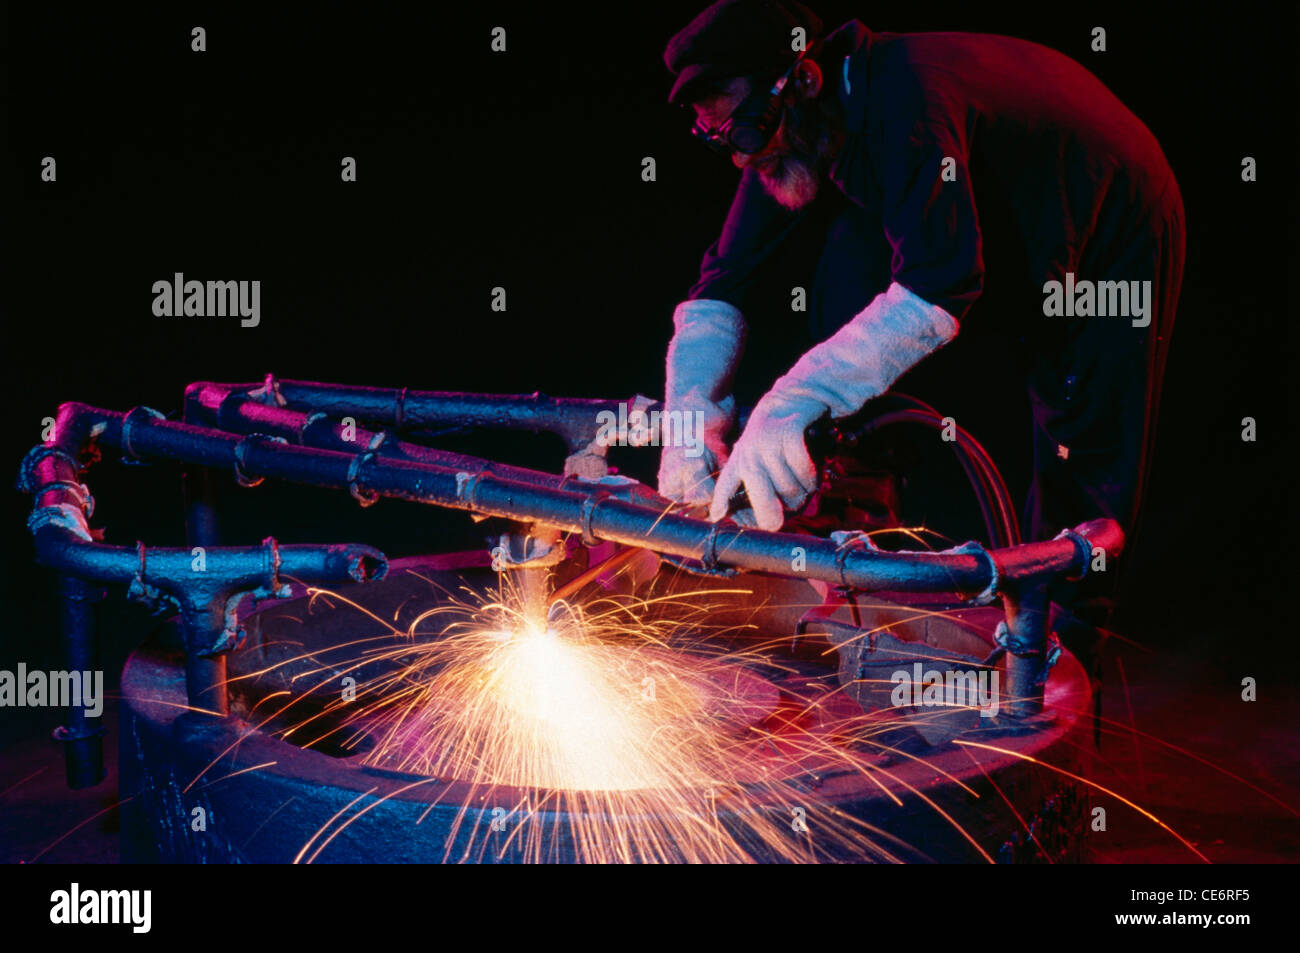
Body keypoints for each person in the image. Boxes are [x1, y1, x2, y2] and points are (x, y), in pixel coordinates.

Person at [655, 0, 1185, 581]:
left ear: (803, 79)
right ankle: (853, 505)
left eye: (749, 130)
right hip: (995, 199)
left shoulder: (907, 102)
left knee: (1080, 424)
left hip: (1111, 209)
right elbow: (726, 279)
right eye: (721, 140)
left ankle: (1062, 639)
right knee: (849, 281)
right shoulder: (798, 121)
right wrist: (691, 425)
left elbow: (943, 281)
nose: (739, 158)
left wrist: (791, 400)